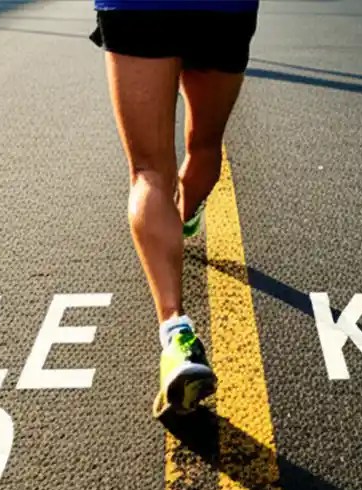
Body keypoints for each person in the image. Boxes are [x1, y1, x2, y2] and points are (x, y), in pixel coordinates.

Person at [91, 0, 259, 419]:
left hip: (139, 6)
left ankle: (176, 334)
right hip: (223, 9)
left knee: (150, 173)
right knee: (204, 151)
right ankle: (181, 223)